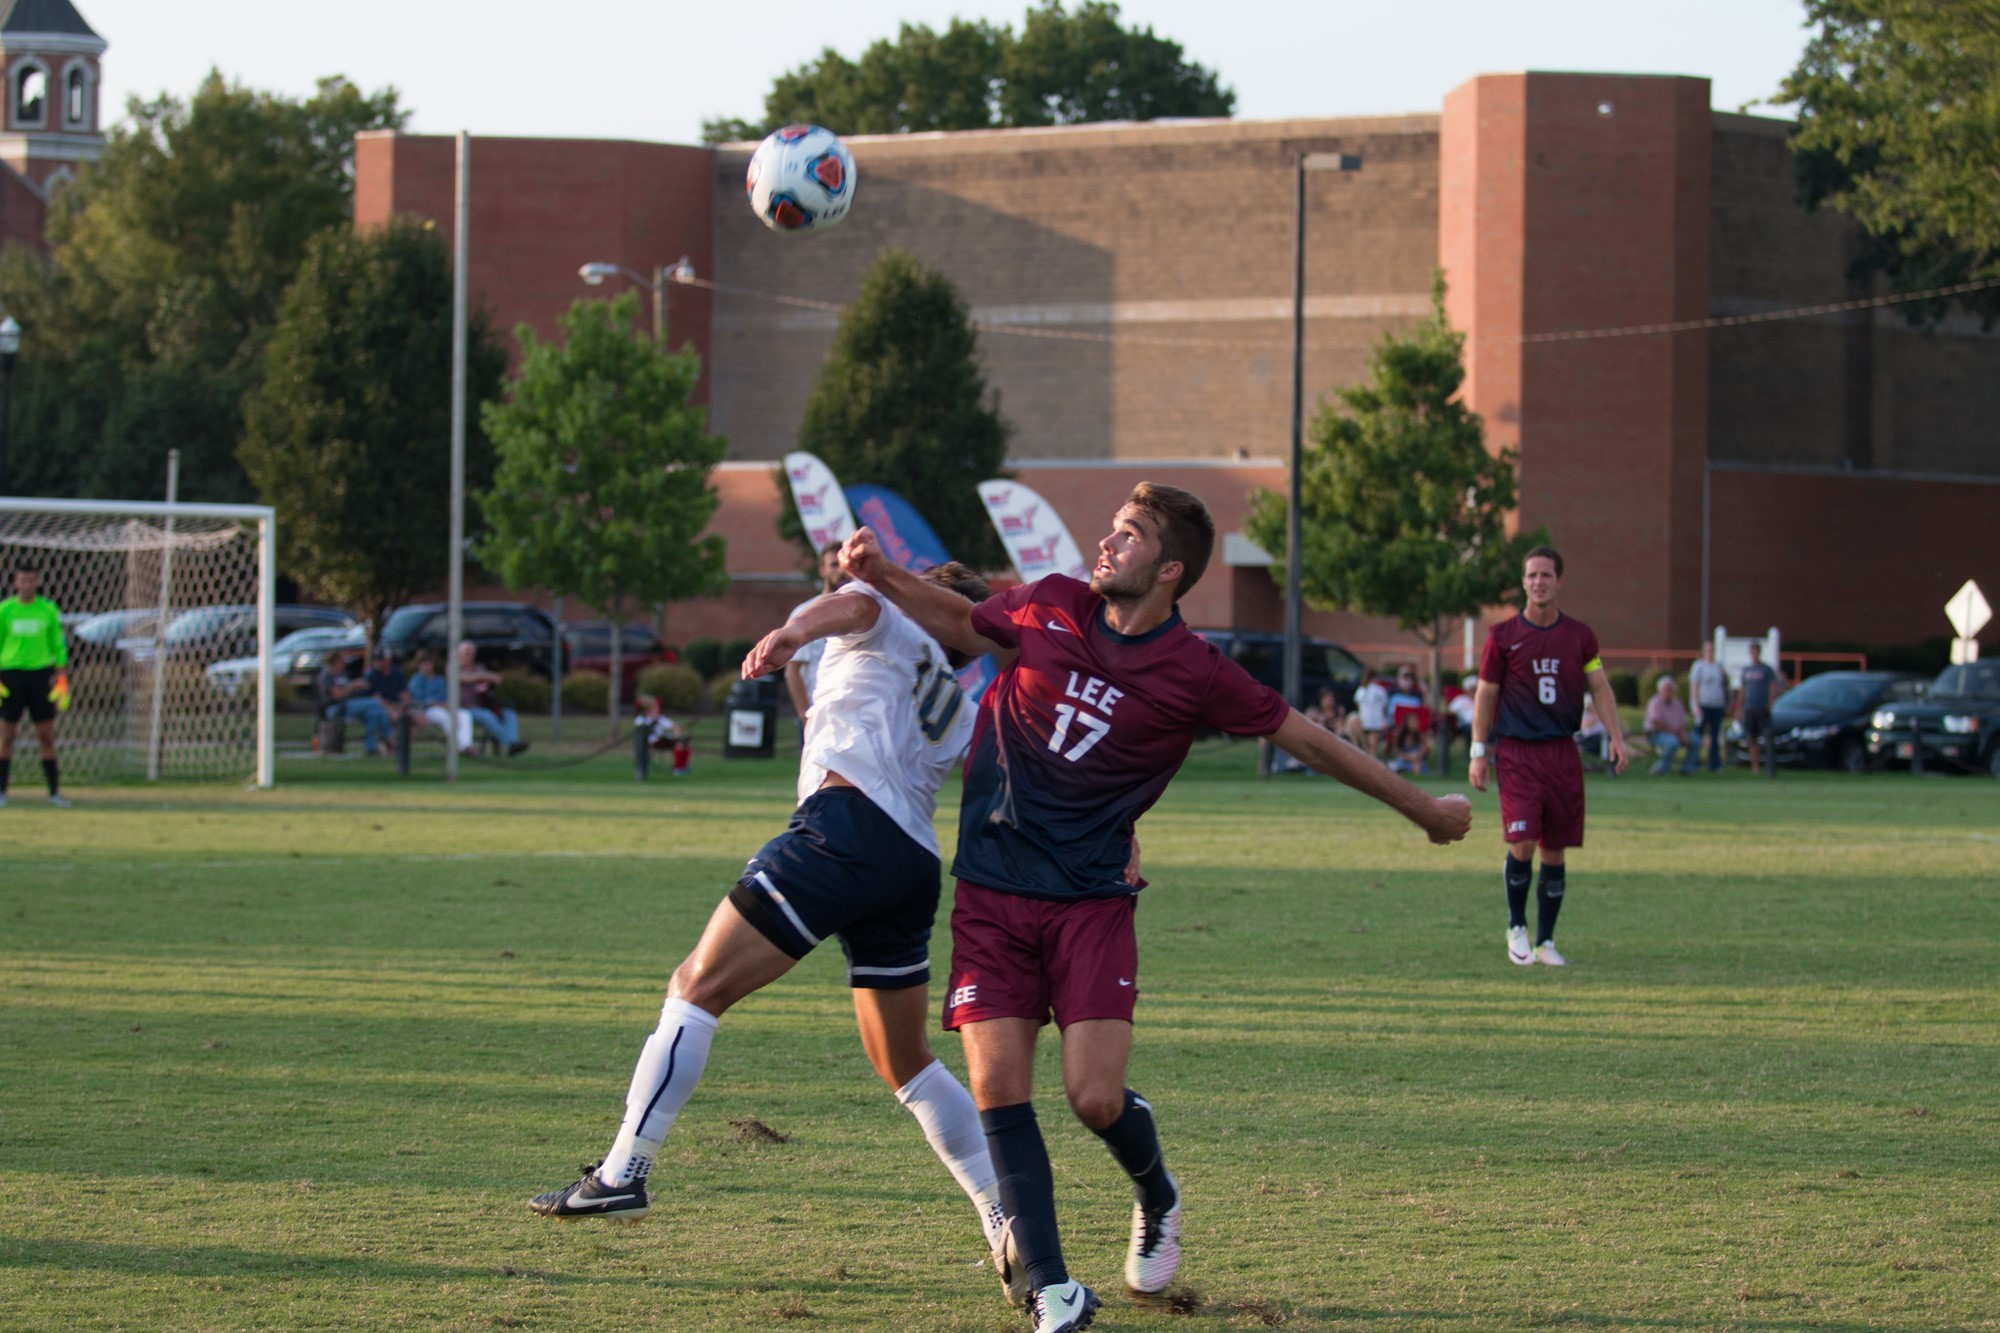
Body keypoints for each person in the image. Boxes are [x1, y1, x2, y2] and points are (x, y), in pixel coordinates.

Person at [840, 482, 1472, 1333]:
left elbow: (1310, 741)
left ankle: (1157, 1191)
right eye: (1113, 527)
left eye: (1130, 534)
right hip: (991, 892)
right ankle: (1054, 1292)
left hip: (1091, 903)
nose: (1108, 542)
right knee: (998, 1090)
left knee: (1094, 1098)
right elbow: (963, 620)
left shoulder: (1197, 672)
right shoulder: (1052, 601)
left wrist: (1423, 809)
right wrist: (881, 573)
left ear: (1171, 569)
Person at [528, 563, 1015, 1285]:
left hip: (844, 829)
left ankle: (622, 1172)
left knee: (695, 987)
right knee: (907, 1060)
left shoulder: (886, 609)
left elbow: (848, 607)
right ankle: (1008, 1218)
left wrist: (791, 631)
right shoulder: (960, 704)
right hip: (911, 863)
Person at [1469, 546, 1629, 968]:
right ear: (1523, 582)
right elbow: (1486, 693)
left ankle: (1546, 942)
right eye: (1531, 575)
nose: (1538, 581)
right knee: (1522, 842)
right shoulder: (1502, 636)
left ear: (1560, 581)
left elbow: (1599, 686)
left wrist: (1616, 736)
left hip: (1562, 752)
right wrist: (1478, 750)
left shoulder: (1580, 637)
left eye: (1545, 575)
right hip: (1517, 752)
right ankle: (1516, 926)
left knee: (1555, 850)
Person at [0, 560, 72, 808]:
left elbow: (58, 645)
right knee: (7, 736)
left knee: (46, 736)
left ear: (37, 582)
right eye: (23, 580)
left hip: (40, 677)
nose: (27, 584)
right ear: (16, 582)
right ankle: (2, 792)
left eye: (31, 580)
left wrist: (61, 678)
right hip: (10, 676)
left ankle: (54, 793)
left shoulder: (48, 610)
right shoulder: (5, 610)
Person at [783, 542, 848, 730]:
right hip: (818, 713)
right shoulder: (804, 613)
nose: (841, 571)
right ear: (822, 570)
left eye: (845, 564)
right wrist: (805, 715)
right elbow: (792, 670)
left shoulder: (866, 613)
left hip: (852, 714)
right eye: (834, 565)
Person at [457, 641, 528, 757]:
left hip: (484, 705)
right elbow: (465, 678)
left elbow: (497, 679)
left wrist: (487, 678)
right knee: (487, 716)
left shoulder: (478, 667)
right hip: (466, 709)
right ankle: (511, 743)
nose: (469, 656)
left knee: (508, 713)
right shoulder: (454, 668)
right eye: (466, 653)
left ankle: (514, 742)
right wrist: (485, 676)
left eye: (471, 653)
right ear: (459, 655)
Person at [407, 650, 475, 754]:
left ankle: (467, 745)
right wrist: (437, 704)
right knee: (444, 717)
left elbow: (447, 697)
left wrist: (447, 704)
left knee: (465, 714)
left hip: (445, 707)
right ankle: (460, 746)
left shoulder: (440, 680)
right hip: (427, 712)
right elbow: (420, 702)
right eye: (423, 664)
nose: (426, 667)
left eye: (428, 664)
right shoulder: (416, 681)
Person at [1734, 642, 1781, 774]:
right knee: (1751, 737)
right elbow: (1743, 689)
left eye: (1756, 652)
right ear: (1750, 653)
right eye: (1752, 652)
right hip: (1750, 708)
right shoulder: (1746, 670)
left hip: (1762, 708)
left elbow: (1773, 687)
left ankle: (1769, 768)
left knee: (1767, 737)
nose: (1754, 654)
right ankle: (1755, 766)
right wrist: (1739, 707)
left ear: (1759, 652)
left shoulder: (1766, 669)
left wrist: (1770, 704)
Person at [1687, 643, 1728, 772]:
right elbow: (1694, 686)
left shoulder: (1718, 666)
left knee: (1715, 736)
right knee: (1697, 735)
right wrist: (1695, 705)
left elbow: (1724, 685)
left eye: (1712, 650)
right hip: (1703, 704)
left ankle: (1714, 763)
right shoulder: (1699, 666)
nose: (1710, 652)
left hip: (1717, 705)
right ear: (1703, 651)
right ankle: (1694, 761)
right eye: (1708, 650)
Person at [1643, 675, 1695, 776]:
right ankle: (1662, 769)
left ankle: (1686, 769)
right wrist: (1676, 734)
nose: (1669, 692)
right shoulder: (1654, 703)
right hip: (1656, 734)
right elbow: (1657, 723)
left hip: (1676, 733)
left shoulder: (1677, 703)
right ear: (1660, 690)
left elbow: (1683, 722)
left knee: (1696, 741)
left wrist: (1683, 734)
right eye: (1666, 689)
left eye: (1671, 690)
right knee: (1672, 742)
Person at [634, 693, 691, 775]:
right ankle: (678, 768)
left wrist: (676, 734)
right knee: (678, 744)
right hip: (652, 741)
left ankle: (680, 767)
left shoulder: (660, 718)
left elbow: (674, 726)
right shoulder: (641, 719)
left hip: (663, 740)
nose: (658, 709)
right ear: (648, 709)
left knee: (683, 744)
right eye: (655, 707)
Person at [1353, 667, 1390, 758]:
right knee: (1372, 746)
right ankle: (1372, 760)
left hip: (1363, 720)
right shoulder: (1380, 690)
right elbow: (1384, 706)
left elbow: (1357, 704)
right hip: (1376, 721)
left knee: (1364, 745)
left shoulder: (1360, 690)